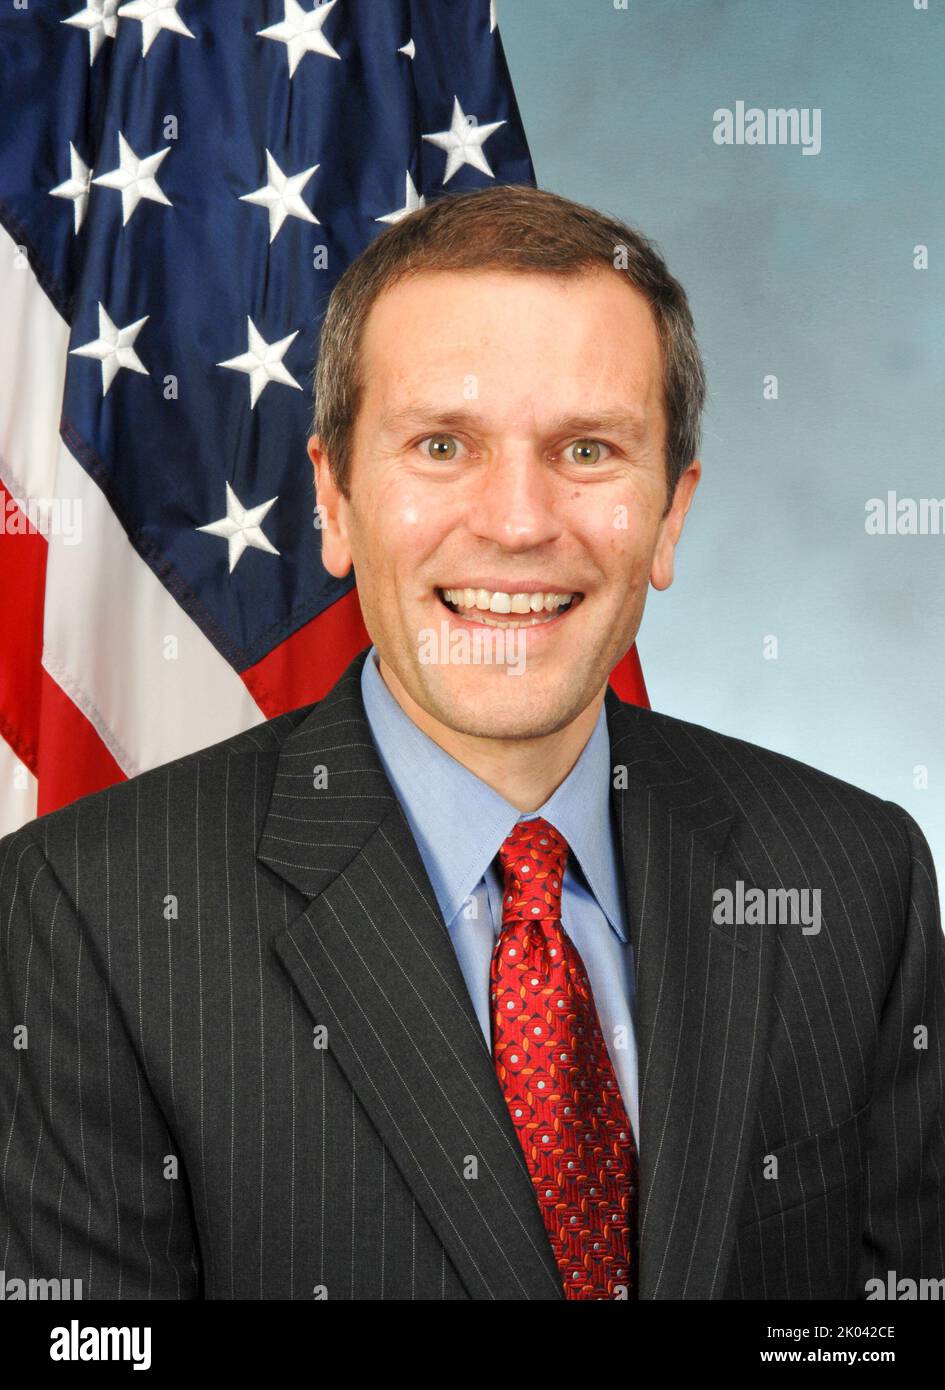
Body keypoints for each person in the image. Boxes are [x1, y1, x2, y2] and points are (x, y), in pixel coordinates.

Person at [1, 185, 942, 1301]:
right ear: (335, 501)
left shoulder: (854, 875)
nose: (517, 521)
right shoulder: (90, 911)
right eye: (443, 444)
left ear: (671, 512)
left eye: (588, 449)